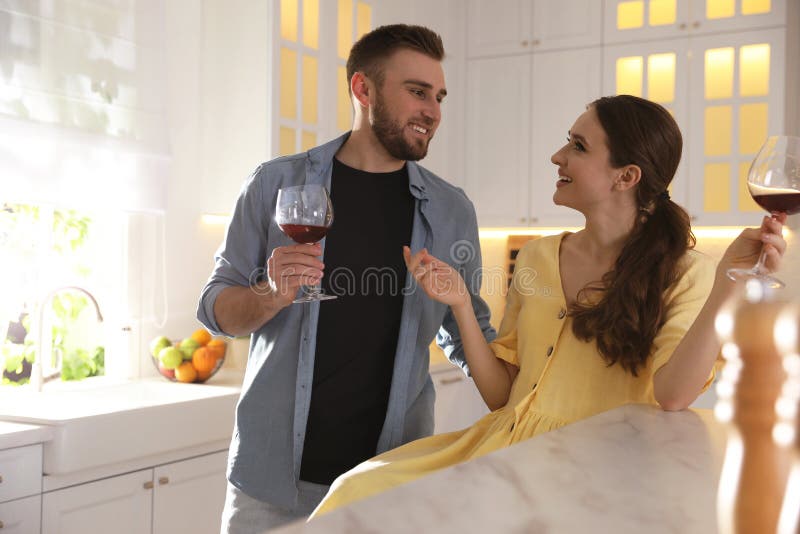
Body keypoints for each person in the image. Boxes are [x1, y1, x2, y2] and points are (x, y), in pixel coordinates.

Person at [309, 94, 788, 517]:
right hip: (500, 446)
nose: (558, 156)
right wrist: (457, 303)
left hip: (596, 466)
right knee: (357, 490)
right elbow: (504, 396)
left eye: (579, 146)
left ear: (626, 176)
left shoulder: (687, 272)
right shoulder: (538, 256)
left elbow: (674, 395)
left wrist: (729, 282)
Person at [197, 24, 496, 531]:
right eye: (417, 92)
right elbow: (215, 311)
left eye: (439, 97)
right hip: (272, 487)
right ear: (363, 89)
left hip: (389, 482)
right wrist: (270, 295)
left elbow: (471, 335)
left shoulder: (450, 210)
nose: (433, 111)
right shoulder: (278, 183)